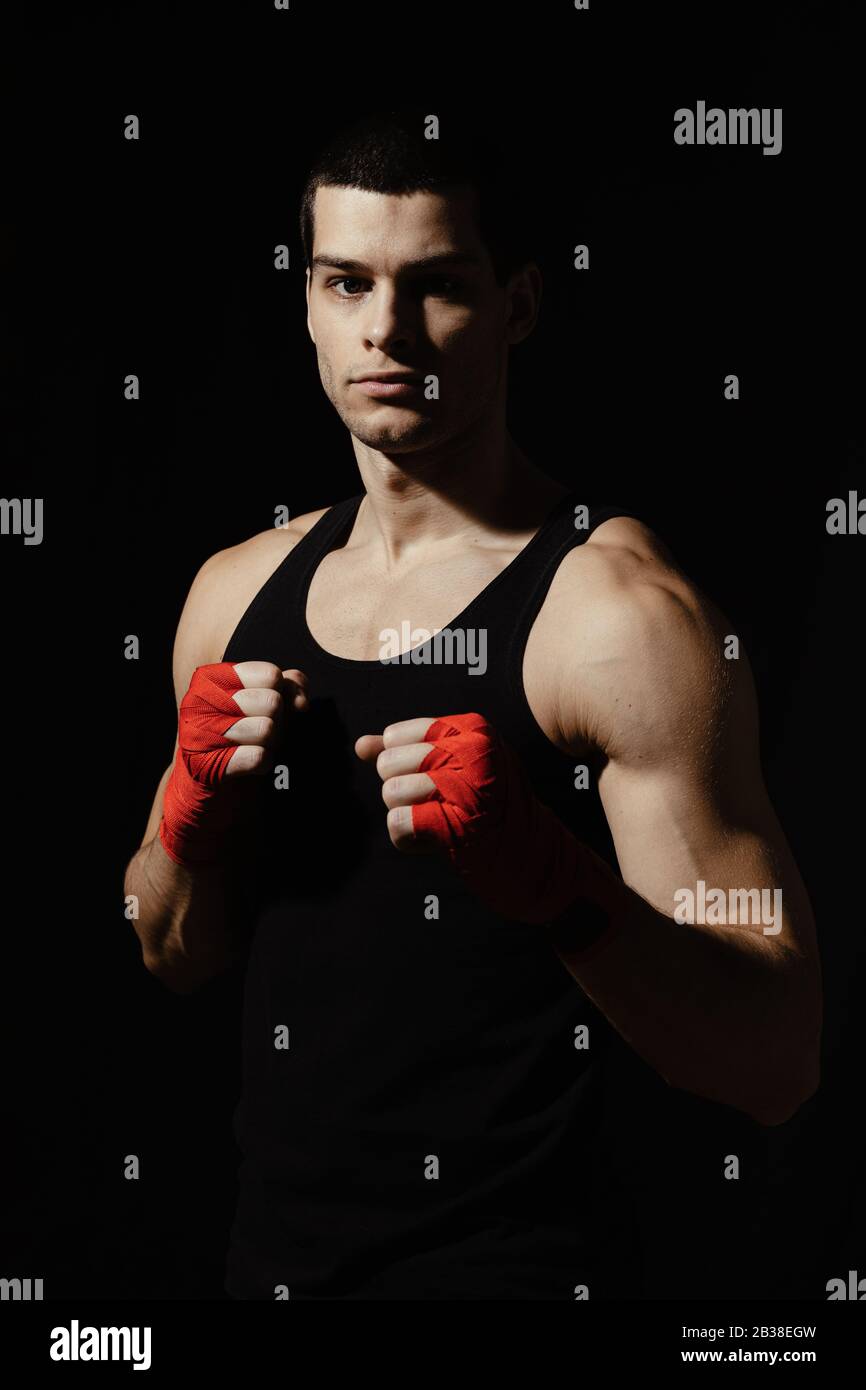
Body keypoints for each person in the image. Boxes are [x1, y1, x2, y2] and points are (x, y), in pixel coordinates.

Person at [124, 110, 822, 1300]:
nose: (385, 330)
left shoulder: (616, 617)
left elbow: (773, 1057)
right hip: (272, 1273)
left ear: (519, 305)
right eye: (346, 282)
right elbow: (169, 949)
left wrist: (556, 883)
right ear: (305, 301)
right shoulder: (231, 593)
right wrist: (190, 820)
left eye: (436, 285)